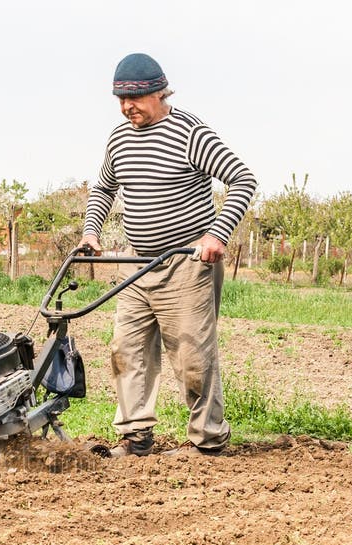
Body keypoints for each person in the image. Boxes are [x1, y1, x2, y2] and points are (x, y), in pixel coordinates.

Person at [79, 52, 257, 457]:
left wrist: (216, 233)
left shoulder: (189, 132)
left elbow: (242, 178)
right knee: (127, 350)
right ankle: (137, 437)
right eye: (120, 100)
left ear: (160, 93)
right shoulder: (119, 138)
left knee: (192, 354)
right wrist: (92, 231)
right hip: (136, 261)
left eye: (135, 99)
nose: (127, 108)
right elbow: (104, 188)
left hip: (187, 261)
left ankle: (208, 441)